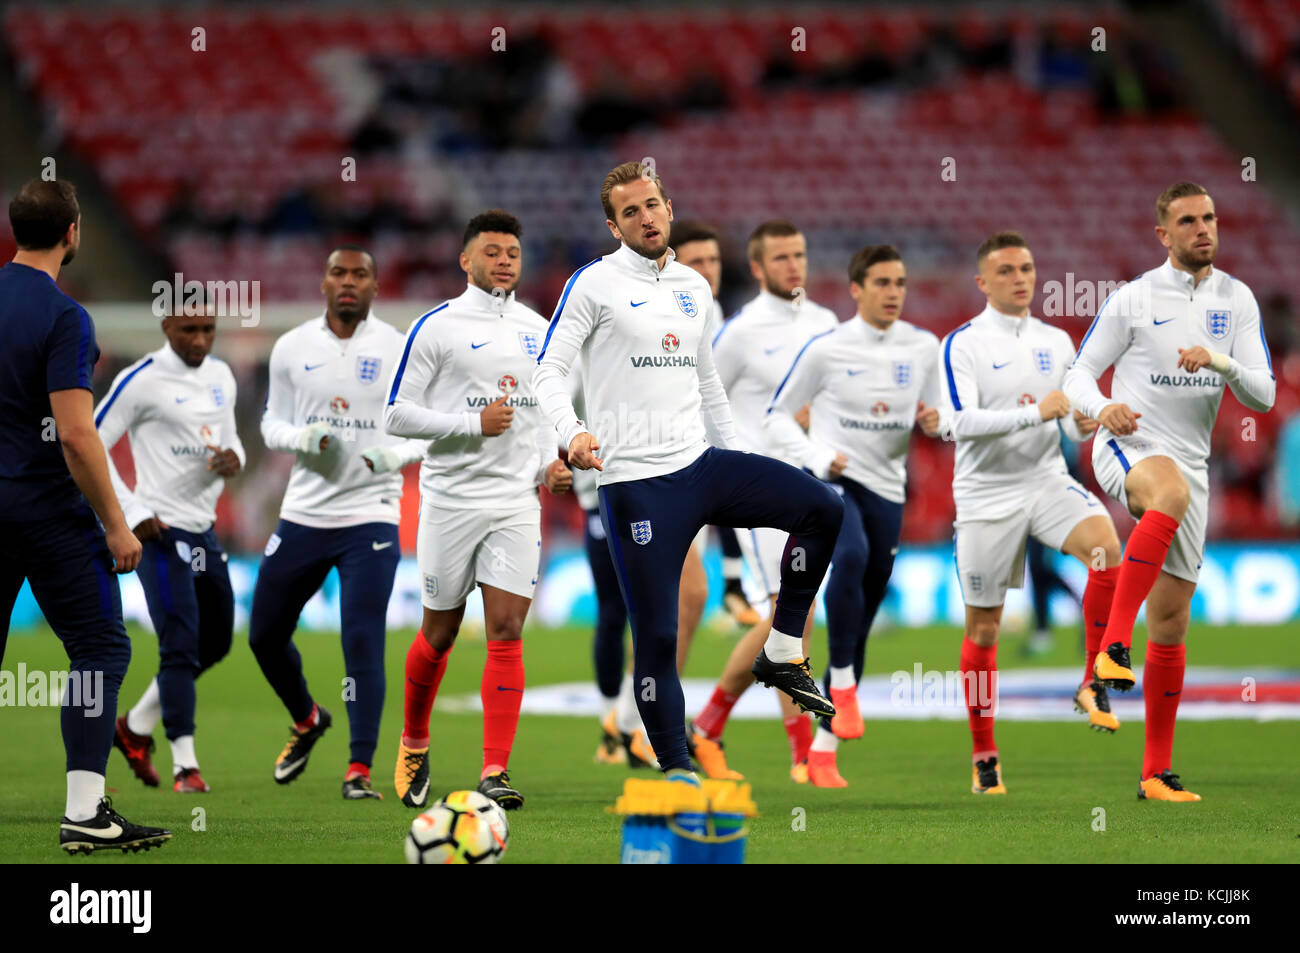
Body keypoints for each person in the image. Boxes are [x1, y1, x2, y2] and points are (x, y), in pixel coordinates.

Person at [533, 161, 844, 782]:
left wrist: (739, 457)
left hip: (701, 466)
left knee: (823, 508)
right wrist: (570, 434)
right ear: (613, 225)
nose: (644, 218)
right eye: (629, 212)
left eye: (651, 205)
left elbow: (708, 386)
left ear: (668, 207)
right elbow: (548, 370)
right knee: (656, 636)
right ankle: (677, 767)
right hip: (636, 486)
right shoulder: (592, 285)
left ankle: (782, 650)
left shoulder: (693, 289)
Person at [1063, 182, 1275, 801]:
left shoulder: (1237, 300)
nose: (1203, 229)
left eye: (1209, 217)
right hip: (1127, 443)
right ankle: (1109, 648)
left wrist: (1222, 362)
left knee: (1173, 623)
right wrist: (1103, 408)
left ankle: (1155, 773)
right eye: (1188, 220)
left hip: (1191, 461)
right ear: (1164, 234)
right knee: (1169, 494)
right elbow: (1078, 372)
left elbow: (1261, 393)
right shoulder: (1133, 299)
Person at [0, 178, 169, 852]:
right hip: (43, 509)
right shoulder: (65, 317)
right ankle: (84, 811)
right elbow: (75, 434)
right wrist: (116, 522)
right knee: (100, 648)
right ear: (74, 232)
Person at [387, 210, 571, 810]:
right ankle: (414, 739)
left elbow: (545, 411)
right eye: (492, 251)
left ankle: (494, 771)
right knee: (438, 634)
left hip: (516, 502)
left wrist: (551, 462)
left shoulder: (537, 328)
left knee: (507, 630)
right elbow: (396, 415)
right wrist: (472, 423)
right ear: (465, 261)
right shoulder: (435, 327)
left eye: (513, 252)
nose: (505, 260)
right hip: (449, 501)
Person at [939, 230, 1124, 795]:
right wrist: (1033, 413)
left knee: (1107, 550)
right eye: (1007, 270)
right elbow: (956, 421)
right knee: (985, 629)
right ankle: (983, 753)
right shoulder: (963, 343)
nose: (1021, 278)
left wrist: (1081, 423)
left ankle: (1092, 678)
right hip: (986, 495)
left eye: (1027, 268)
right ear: (983, 282)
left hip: (1045, 481)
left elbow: (1066, 420)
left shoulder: (1057, 342)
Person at [765, 244, 944, 787]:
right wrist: (818, 456)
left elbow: (939, 416)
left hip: (888, 488)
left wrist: (937, 422)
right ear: (856, 290)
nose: (894, 293)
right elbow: (776, 416)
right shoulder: (828, 348)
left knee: (863, 609)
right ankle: (840, 684)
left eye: (900, 283)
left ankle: (823, 748)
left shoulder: (923, 346)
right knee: (853, 555)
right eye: (883, 283)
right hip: (832, 480)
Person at [251, 245, 424, 800]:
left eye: (360, 274)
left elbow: (425, 427)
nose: (348, 282)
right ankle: (306, 718)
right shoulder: (291, 348)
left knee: (362, 640)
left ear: (376, 286)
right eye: (338, 273)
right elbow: (270, 422)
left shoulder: (399, 349)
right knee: (263, 635)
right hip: (303, 512)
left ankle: (359, 768)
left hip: (371, 516)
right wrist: (298, 438)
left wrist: (395, 457)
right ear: (323, 283)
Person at [687, 219, 840, 783]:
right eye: (780, 257)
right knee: (790, 614)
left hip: (814, 488)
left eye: (799, 253)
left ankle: (708, 730)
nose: (793, 265)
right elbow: (702, 402)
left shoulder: (826, 324)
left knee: (792, 620)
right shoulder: (738, 334)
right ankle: (797, 753)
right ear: (756, 268)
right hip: (758, 491)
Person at [97, 300, 243, 793]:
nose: (200, 340)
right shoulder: (140, 380)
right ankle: (186, 765)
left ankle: (133, 727)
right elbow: (93, 441)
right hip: (159, 533)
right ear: (166, 327)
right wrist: (131, 514)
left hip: (204, 530)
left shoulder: (222, 375)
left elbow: (232, 439)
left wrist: (235, 457)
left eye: (208, 329)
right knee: (179, 645)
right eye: (189, 330)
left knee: (216, 641)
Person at [670, 221, 761, 627]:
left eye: (713, 260)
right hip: (663, 461)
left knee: (685, 599)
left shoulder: (717, 313)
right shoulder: (661, 313)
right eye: (697, 261)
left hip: (701, 455)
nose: (708, 270)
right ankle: (635, 688)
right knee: (678, 596)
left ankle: (734, 584)